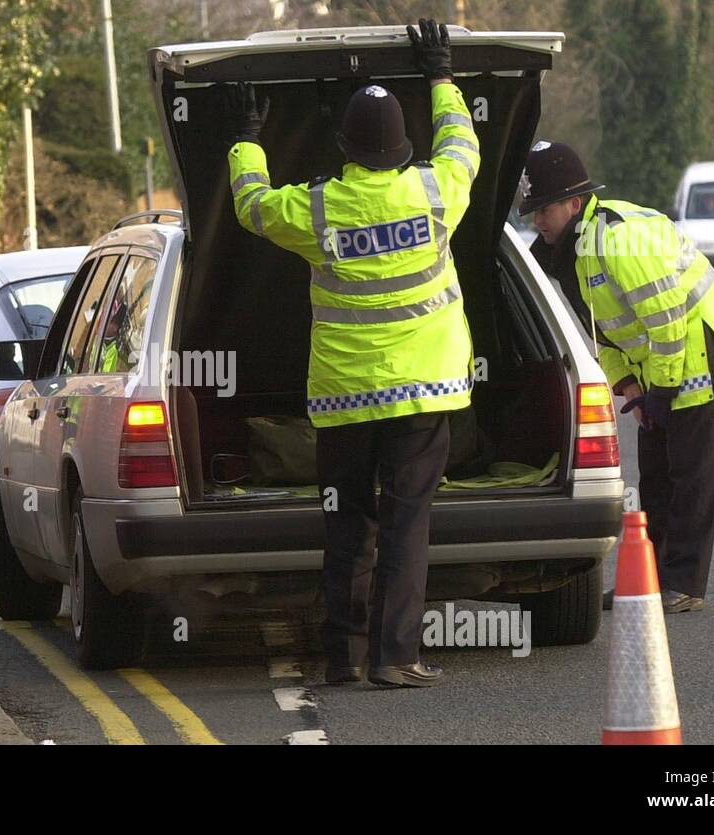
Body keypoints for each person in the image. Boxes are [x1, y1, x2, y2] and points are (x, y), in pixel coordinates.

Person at [226, 19, 480, 686]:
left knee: (347, 525)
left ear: (341, 146)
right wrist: (442, 78)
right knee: (405, 523)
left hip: (344, 401)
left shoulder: (316, 211)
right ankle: (396, 656)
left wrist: (248, 140)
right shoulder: (437, 191)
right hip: (423, 393)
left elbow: (250, 206)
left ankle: (341, 655)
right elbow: (463, 145)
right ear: (404, 149)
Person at [523, 141, 714, 613]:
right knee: (656, 473)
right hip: (662, 362)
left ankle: (684, 584)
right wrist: (629, 387)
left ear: (574, 204)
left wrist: (661, 390)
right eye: (533, 210)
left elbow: (667, 321)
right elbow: (600, 334)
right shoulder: (571, 253)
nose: (537, 220)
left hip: (698, 349)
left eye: (544, 209)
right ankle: (651, 580)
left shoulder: (619, 241)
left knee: (691, 473)